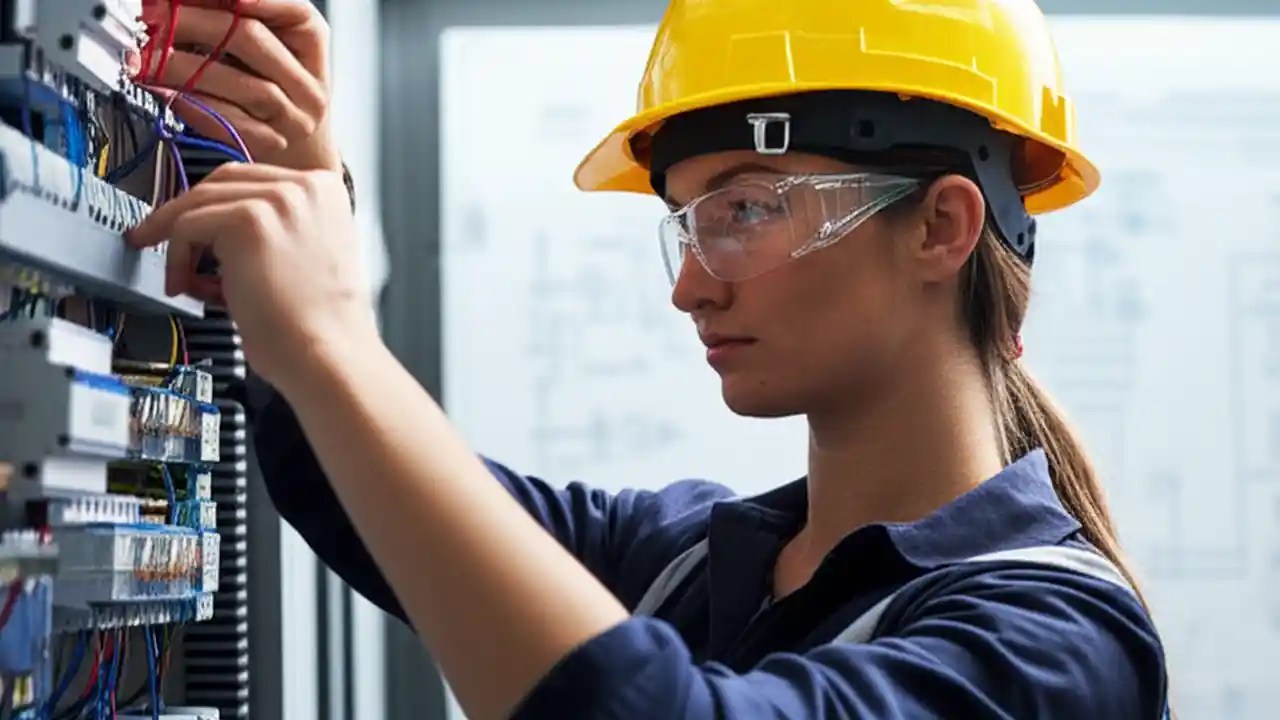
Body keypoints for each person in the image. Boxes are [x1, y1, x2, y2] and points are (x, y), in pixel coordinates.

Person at [129, 0, 1171, 717]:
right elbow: (368, 495)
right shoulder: (693, 559)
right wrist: (298, 180)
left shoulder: (1055, 646)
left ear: (941, 226)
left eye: (748, 209)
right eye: (685, 222)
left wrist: (331, 340)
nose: (691, 285)